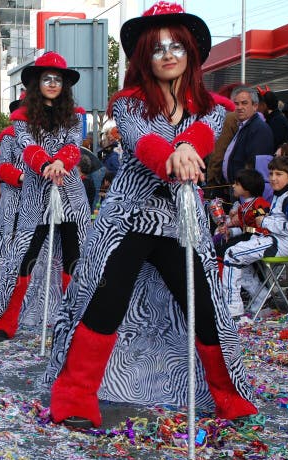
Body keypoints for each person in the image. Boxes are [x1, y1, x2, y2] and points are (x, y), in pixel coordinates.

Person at [45, 2, 257, 430]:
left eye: (176, 46)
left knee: (204, 306)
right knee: (107, 299)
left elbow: (202, 134)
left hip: (181, 221)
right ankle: (74, 395)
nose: (168, 55)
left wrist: (187, 148)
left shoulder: (212, 109)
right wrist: (173, 155)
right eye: (157, 48)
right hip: (129, 217)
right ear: (144, 56)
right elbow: (142, 142)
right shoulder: (128, 104)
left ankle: (229, 395)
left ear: (191, 52)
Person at [0, 52, 91, 342]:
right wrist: (47, 164)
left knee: (74, 258)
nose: (53, 83)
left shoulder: (74, 116)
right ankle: (5, 322)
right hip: (36, 193)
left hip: (70, 193)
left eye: (58, 79)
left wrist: (60, 162)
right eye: (47, 79)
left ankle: (75, 323)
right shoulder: (22, 118)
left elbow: (74, 145)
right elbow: (27, 146)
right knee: (25, 258)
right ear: (37, 83)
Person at [220, 157, 288, 316]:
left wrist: (266, 222)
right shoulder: (281, 194)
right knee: (236, 257)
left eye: (279, 174)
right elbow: (259, 225)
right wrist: (234, 231)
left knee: (232, 254)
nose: (273, 178)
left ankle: (232, 308)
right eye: (271, 173)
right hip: (273, 239)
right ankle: (261, 297)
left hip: (281, 244)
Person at [222, 86, 274, 187]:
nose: (239, 107)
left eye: (244, 103)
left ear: (255, 106)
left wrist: (247, 189)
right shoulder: (244, 126)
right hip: (238, 187)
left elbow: (257, 167)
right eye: (236, 104)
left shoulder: (259, 129)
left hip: (247, 189)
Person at [213, 168, 270, 258]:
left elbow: (263, 224)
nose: (233, 186)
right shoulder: (242, 207)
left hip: (258, 240)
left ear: (248, 187)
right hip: (247, 236)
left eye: (237, 184)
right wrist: (230, 232)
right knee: (219, 246)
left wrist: (252, 212)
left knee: (225, 249)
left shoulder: (259, 204)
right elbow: (244, 228)